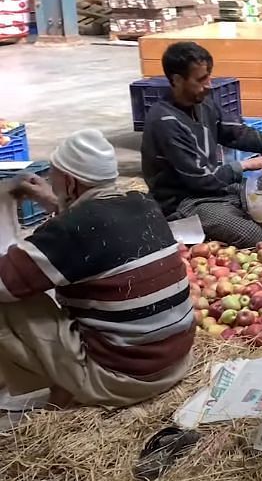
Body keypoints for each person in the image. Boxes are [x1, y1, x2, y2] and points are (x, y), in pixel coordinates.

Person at [0, 130, 194, 408]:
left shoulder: (71, 230)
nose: (50, 183)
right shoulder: (143, 203)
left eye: (53, 177)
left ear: (69, 182)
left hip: (123, 380)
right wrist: (55, 203)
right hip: (175, 364)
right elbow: (97, 227)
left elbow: (6, 281)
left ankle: (61, 388)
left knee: (11, 297)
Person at [141, 41, 262, 248]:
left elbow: (236, 132)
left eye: (208, 76)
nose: (208, 85)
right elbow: (201, 180)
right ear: (177, 80)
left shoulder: (202, 103)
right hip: (184, 200)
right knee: (253, 235)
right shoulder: (165, 121)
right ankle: (192, 238)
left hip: (216, 188)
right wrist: (245, 166)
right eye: (201, 79)